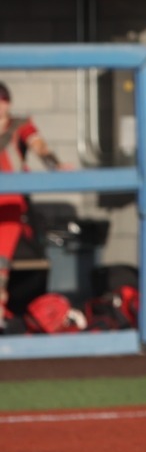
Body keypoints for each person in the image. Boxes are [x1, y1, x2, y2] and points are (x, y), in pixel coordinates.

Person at [0, 82, 73, 308]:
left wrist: (56, 164)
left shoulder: (20, 125)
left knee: (1, 264)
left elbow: (39, 146)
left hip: (9, 204)